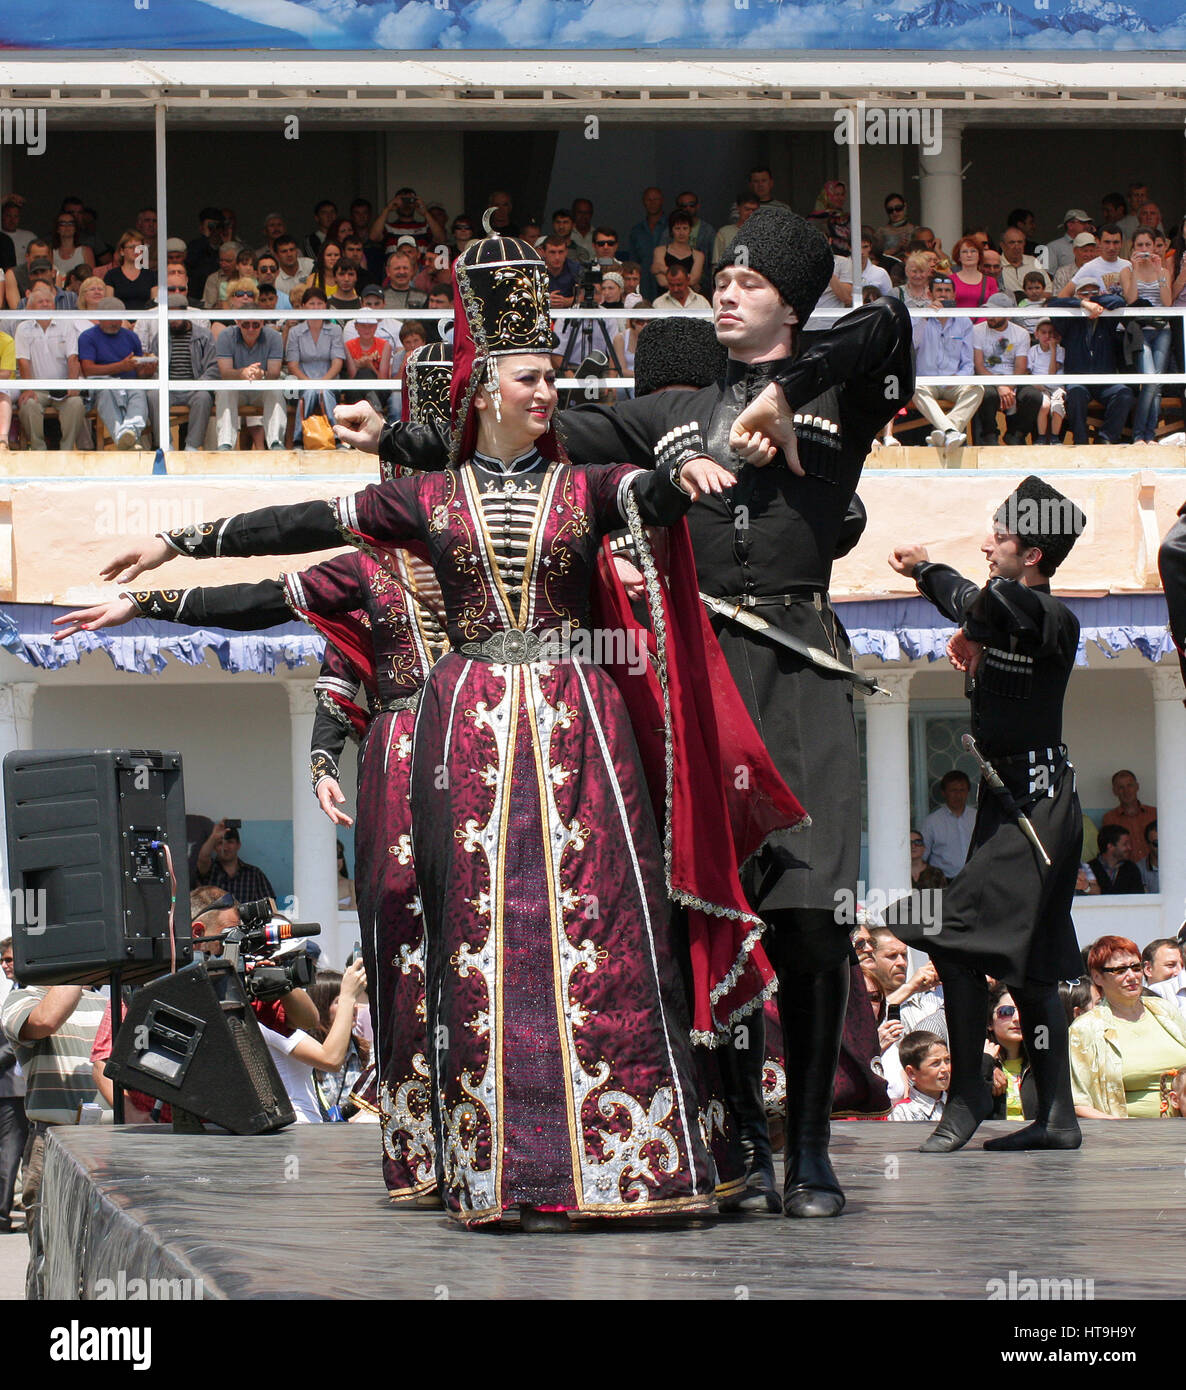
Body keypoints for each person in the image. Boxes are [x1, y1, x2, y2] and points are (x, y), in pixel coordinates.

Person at [64, 230, 795, 1231]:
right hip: (467, 729)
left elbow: (653, 491)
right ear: (488, 382)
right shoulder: (421, 501)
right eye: (534, 377)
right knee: (478, 946)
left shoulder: (587, 486)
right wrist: (170, 545)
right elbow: (300, 526)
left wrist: (712, 461)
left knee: (600, 928)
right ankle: (503, 1163)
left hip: (581, 724)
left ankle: (626, 1157)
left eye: (556, 378)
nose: (551, 393)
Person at [887, 475, 1087, 1153]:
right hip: (1011, 809)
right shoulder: (1003, 608)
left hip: (1038, 810)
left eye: (1000, 536)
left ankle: (970, 1097)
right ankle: (1056, 1117)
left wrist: (955, 603)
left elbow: (989, 604)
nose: (987, 544)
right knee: (1029, 967)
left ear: (1032, 553)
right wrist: (925, 574)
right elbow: (973, 603)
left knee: (945, 932)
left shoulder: (1053, 617)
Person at [1, 982, 105, 1283]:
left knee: (104, 1256)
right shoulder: (22, 999)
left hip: (112, 1141)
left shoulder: (105, 1002)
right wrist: (75, 967)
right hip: (55, 1142)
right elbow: (46, 1020)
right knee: (54, 1260)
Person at [1071, 935, 1186, 1118]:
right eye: (1120, 970)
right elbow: (1078, 1103)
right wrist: (1120, 1129)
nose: (1131, 976)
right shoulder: (1085, 1028)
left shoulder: (1164, 1010)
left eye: (1135, 967)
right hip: (1128, 1138)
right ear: (1097, 977)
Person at [260, 959, 368, 1123]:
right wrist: (347, 995)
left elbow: (310, 1019)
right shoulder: (268, 1021)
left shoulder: (277, 1023)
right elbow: (331, 1059)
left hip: (308, 1126)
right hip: (296, 1127)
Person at [1046, 279, 1133, 445]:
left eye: (1094, 292)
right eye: (1084, 293)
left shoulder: (1106, 318)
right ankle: (1081, 442)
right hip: (1078, 380)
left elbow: (1120, 301)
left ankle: (1105, 439)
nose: (1090, 296)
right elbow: (1053, 303)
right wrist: (1083, 304)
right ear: (1077, 296)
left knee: (1124, 394)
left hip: (1104, 380)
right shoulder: (1069, 321)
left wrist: (1093, 303)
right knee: (1075, 396)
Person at [911, 269, 983, 449]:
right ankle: (951, 432)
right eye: (939, 291)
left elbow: (968, 362)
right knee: (915, 388)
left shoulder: (964, 322)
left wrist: (958, 378)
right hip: (927, 382)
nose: (943, 295)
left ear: (954, 294)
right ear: (930, 294)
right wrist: (925, 317)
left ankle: (945, 432)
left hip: (953, 381)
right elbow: (912, 344)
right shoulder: (918, 318)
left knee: (977, 388)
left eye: (947, 291)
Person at [14, 284, 86, 450]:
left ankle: (66, 451)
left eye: (48, 301)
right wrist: (28, 388)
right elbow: (23, 362)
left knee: (76, 404)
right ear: (30, 308)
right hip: (37, 388)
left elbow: (73, 358)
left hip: (63, 386)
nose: (46, 304)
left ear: (54, 305)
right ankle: (39, 450)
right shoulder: (23, 328)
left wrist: (72, 384)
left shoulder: (66, 325)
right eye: (40, 302)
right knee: (27, 405)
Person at [76, 296, 153, 449]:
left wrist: (148, 370)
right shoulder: (88, 337)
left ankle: (129, 432)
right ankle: (123, 438)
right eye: (110, 318)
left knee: (139, 392)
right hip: (100, 383)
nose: (114, 323)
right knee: (105, 393)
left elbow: (138, 372)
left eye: (118, 318)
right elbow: (88, 370)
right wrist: (120, 366)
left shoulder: (131, 337)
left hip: (129, 383)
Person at [971, 294, 1040, 446]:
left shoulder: (1021, 333)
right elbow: (979, 366)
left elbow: (1020, 367)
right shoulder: (976, 331)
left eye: (994, 313)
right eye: (988, 312)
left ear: (1008, 314)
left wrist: (1008, 387)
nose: (990, 317)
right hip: (988, 378)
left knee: (1034, 396)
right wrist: (999, 386)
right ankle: (989, 435)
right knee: (986, 394)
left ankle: (1016, 434)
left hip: (1012, 379)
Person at [214, 306, 286, 450]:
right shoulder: (226, 336)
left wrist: (262, 374)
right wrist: (242, 373)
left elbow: (275, 372)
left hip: (262, 387)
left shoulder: (273, 337)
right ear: (238, 322)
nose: (251, 329)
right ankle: (225, 443)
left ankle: (276, 442)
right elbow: (225, 373)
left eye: (256, 324)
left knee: (276, 390)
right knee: (224, 390)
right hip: (237, 389)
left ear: (262, 322)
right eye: (246, 324)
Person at [1129, 228, 1172, 443]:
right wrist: (1136, 269)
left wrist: (1158, 271)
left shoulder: (1163, 271)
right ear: (1133, 248)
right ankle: (1139, 435)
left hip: (1162, 330)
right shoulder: (1128, 270)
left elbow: (1167, 302)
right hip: (1140, 331)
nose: (1145, 250)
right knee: (1149, 380)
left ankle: (1150, 435)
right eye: (1140, 245)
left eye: (1148, 245)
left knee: (1157, 385)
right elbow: (1131, 299)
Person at [0, 938, 26, 1232]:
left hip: (16, 1087)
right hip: (8, 1085)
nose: (5, 965)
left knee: (10, 1152)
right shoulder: (11, 992)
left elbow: (14, 1041)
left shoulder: (32, 992)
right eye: (2, 961)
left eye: (9, 959)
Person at [193, 820, 276, 899]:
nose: (225, 847)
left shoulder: (254, 874)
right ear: (214, 848)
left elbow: (270, 906)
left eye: (230, 842)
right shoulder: (209, 871)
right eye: (220, 843)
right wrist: (214, 836)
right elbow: (202, 858)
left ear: (238, 845)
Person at [922, 771, 976, 879]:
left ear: (968, 792)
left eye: (962, 790)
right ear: (944, 792)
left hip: (975, 879)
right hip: (944, 882)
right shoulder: (932, 822)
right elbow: (922, 857)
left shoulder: (977, 817)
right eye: (953, 790)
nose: (958, 795)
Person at [890, 1031, 950, 1121]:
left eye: (947, 1060)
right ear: (911, 1073)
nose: (945, 1068)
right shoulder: (903, 1114)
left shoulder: (959, 1106)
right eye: (935, 1063)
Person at [1101, 769, 1157, 861]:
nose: (1126, 791)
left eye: (1129, 785)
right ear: (1115, 791)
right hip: (1126, 872)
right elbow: (1110, 852)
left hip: (1155, 870)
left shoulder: (1154, 814)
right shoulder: (1109, 819)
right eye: (1121, 787)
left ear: (1137, 787)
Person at [1026, 318, 1066, 444]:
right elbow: (1028, 372)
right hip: (1040, 386)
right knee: (1044, 406)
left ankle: (1055, 437)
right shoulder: (1033, 351)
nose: (1047, 336)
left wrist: (1053, 350)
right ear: (1036, 334)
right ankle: (1041, 437)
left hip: (1056, 386)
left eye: (1051, 333)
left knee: (1057, 407)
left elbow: (1052, 373)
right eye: (1043, 332)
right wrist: (1037, 385)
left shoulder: (1060, 350)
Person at [651, 210, 705, 293]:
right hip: (664, 301)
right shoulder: (659, 251)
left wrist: (662, 269)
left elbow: (694, 280)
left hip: (689, 302)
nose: (681, 232)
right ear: (671, 230)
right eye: (677, 228)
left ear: (690, 230)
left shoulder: (698, 255)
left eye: (685, 228)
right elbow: (662, 282)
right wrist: (687, 279)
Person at [1088, 825, 1144, 894]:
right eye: (1125, 844)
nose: (1130, 848)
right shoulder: (1089, 868)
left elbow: (1139, 898)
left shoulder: (1131, 868)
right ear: (1110, 846)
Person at [950, 235, 999, 312]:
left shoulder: (991, 281)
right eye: (964, 252)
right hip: (958, 323)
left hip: (983, 323)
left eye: (973, 251)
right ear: (958, 256)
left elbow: (995, 308)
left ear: (979, 255)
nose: (969, 255)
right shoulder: (950, 280)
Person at [876, 194, 916, 259]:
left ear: (904, 207)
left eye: (898, 208)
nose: (895, 212)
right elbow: (876, 255)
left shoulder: (915, 230)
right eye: (890, 210)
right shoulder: (881, 232)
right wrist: (896, 248)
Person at [1138, 820, 1160, 894]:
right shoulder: (1138, 869)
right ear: (1148, 844)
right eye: (1156, 843)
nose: (1162, 846)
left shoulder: (1181, 864)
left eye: (1165, 841)